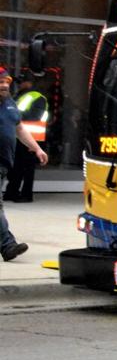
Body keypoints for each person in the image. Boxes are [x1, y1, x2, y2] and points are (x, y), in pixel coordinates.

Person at [0, 65, 48, 261]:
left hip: (3, 163)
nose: (4, 85)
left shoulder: (10, 103)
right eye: (1, 82)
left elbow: (19, 129)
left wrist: (37, 148)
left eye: (6, 82)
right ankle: (7, 245)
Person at [3, 68, 48, 202]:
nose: (19, 84)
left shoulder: (37, 97)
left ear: (28, 82)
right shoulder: (18, 96)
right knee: (16, 167)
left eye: (21, 82)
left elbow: (35, 116)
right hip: (19, 137)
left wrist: (16, 116)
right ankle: (12, 191)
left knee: (28, 169)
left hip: (32, 137)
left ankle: (26, 194)